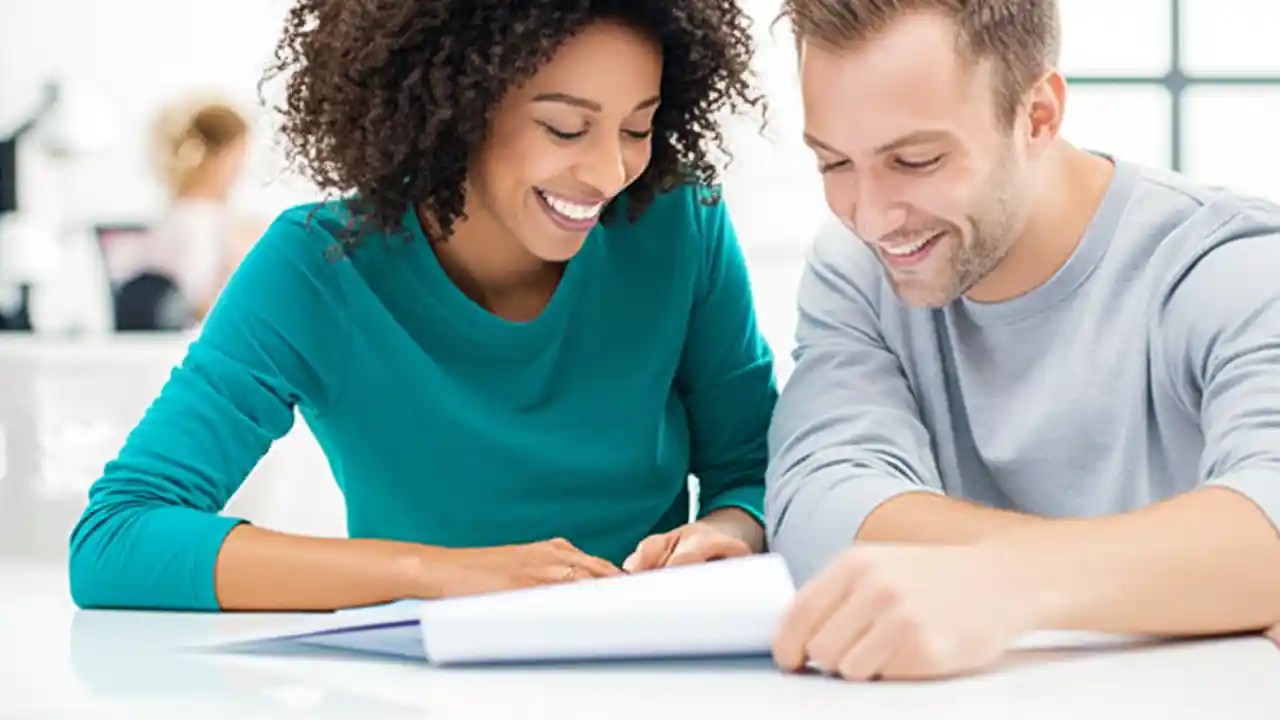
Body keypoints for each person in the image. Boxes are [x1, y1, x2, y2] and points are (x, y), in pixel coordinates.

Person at [69, 0, 776, 611]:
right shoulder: (319, 267)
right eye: (565, 128)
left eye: (636, 129)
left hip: (658, 679)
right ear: (458, 109)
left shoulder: (680, 223)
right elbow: (118, 536)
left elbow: (754, 469)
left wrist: (730, 532)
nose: (608, 173)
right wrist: (438, 574)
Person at [766, 0, 1280, 681]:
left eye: (915, 160)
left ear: (1037, 116)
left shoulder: (1230, 266)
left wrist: (1006, 583)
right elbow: (820, 506)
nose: (869, 214)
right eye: (834, 163)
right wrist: (1204, 573)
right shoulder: (858, 270)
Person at [134, 98, 259, 323]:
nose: (243, 170)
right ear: (221, 158)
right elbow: (201, 304)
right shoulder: (198, 220)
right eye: (239, 156)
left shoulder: (178, 216)